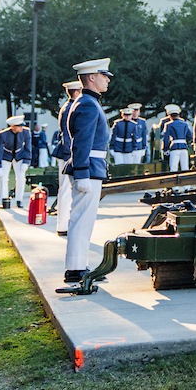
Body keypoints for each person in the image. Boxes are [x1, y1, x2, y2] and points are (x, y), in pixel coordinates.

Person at [62, 58, 112, 286]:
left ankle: (79, 265)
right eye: (104, 75)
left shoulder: (87, 102)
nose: (108, 79)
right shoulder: (88, 104)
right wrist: (81, 172)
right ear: (92, 77)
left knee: (83, 221)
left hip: (91, 167)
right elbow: (81, 142)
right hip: (88, 168)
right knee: (81, 221)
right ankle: (75, 269)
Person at [53, 80, 82, 236]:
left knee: (66, 190)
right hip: (67, 153)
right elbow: (69, 135)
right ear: (76, 93)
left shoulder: (68, 106)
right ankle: (63, 226)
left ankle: (64, 225)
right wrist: (72, 156)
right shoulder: (70, 108)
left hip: (66, 152)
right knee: (65, 190)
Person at [0, 115, 32, 209]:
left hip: (19, 155)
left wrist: (26, 162)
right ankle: (4, 199)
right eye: (19, 126)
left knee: (21, 178)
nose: (21, 127)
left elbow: (28, 147)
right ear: (13, 126)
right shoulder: (3, 134)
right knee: (3, 178)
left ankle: (19, 200)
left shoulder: (26, 132)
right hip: (6, 155)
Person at [161, 104, 193, 173]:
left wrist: (165, 149)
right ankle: (186, 184)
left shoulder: (168, 124)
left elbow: (166, 139)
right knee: (185, 168)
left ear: (170, 115)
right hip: (184, 147)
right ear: (178, 114)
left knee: (173, 168)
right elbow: (190, 136)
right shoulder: (184, 123)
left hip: (174, 147)